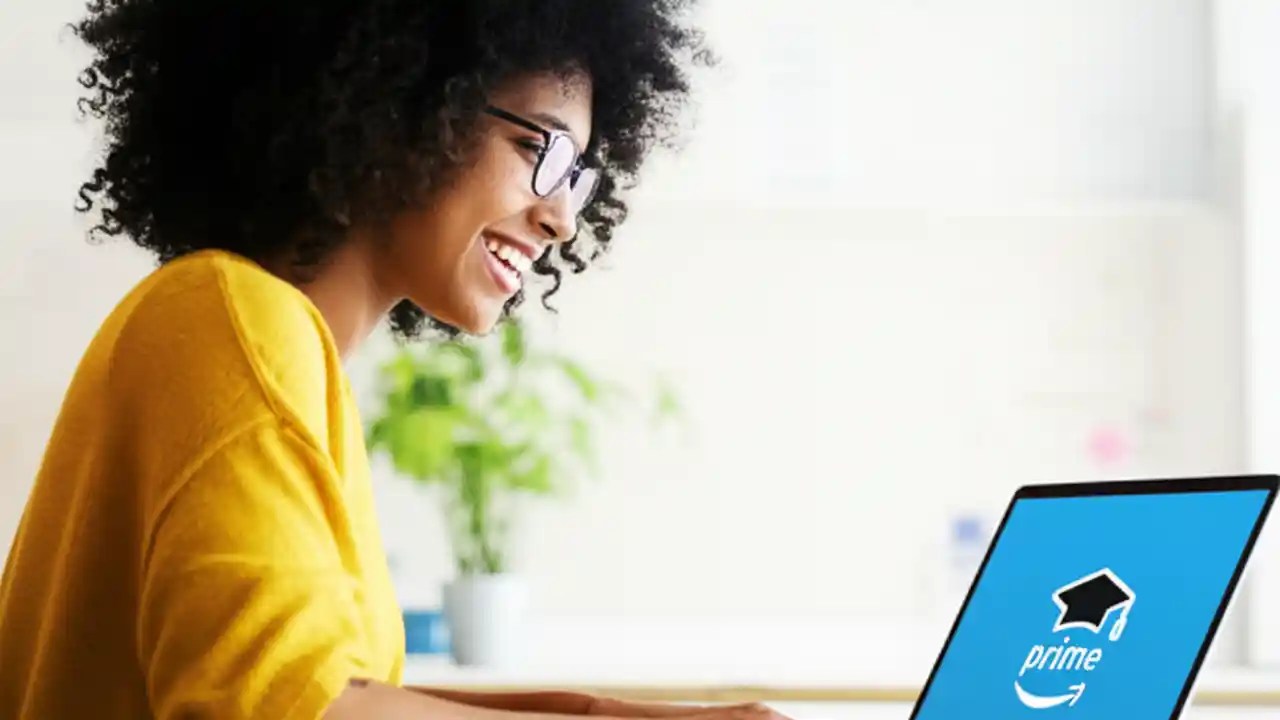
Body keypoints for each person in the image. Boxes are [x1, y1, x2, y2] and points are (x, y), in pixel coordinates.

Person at [0, 2, 797, 719]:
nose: (560, 217)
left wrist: (611, 713)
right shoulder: (235, 317)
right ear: (406, 110)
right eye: (538, 148)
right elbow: (280, 709)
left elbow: (325, 689)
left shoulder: (263, 343)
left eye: (578, 176)